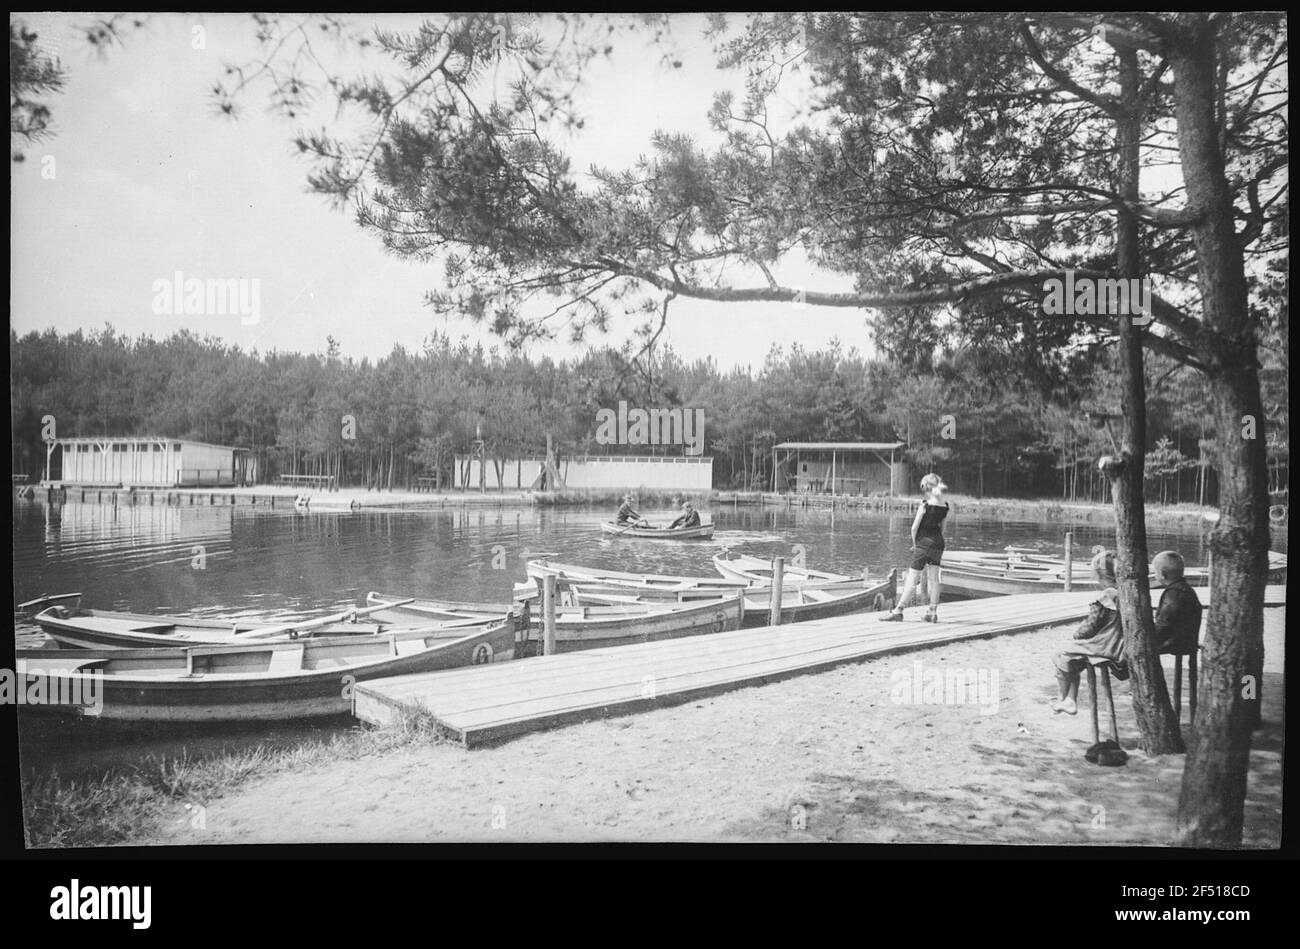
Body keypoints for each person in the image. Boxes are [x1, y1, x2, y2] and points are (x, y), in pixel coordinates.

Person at [1050, 549, 1125, 715]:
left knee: (1062, 652)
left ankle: (1064, 698)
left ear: (1100, 576)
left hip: (1107, 644)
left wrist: (1077, 635)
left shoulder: (1106, 596)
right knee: (1072, 655)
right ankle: (1069, 699)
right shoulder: (1126, 592)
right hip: (1119, 643)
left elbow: (1091, 626)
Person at [879, 473, 949, 623]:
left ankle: (898, 610)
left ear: (926, 488)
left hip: (923, 544)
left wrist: (915, 544)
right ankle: (932, 612)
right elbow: (943, 528)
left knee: (911, 579)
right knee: (934, 579)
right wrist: (934, 540)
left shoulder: (924, 505)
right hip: (938, 543)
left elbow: (913, 528)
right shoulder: (945, 506)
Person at [1151, 550, 1203, 655]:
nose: (1155, 574)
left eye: (1155, 572)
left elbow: (1163, 624)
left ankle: (1121, 667)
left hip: (1174, 642)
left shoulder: (1173, 593)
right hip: (1186, 640)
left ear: (1162, 574)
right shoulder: (1185, 588)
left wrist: (1149, 635)